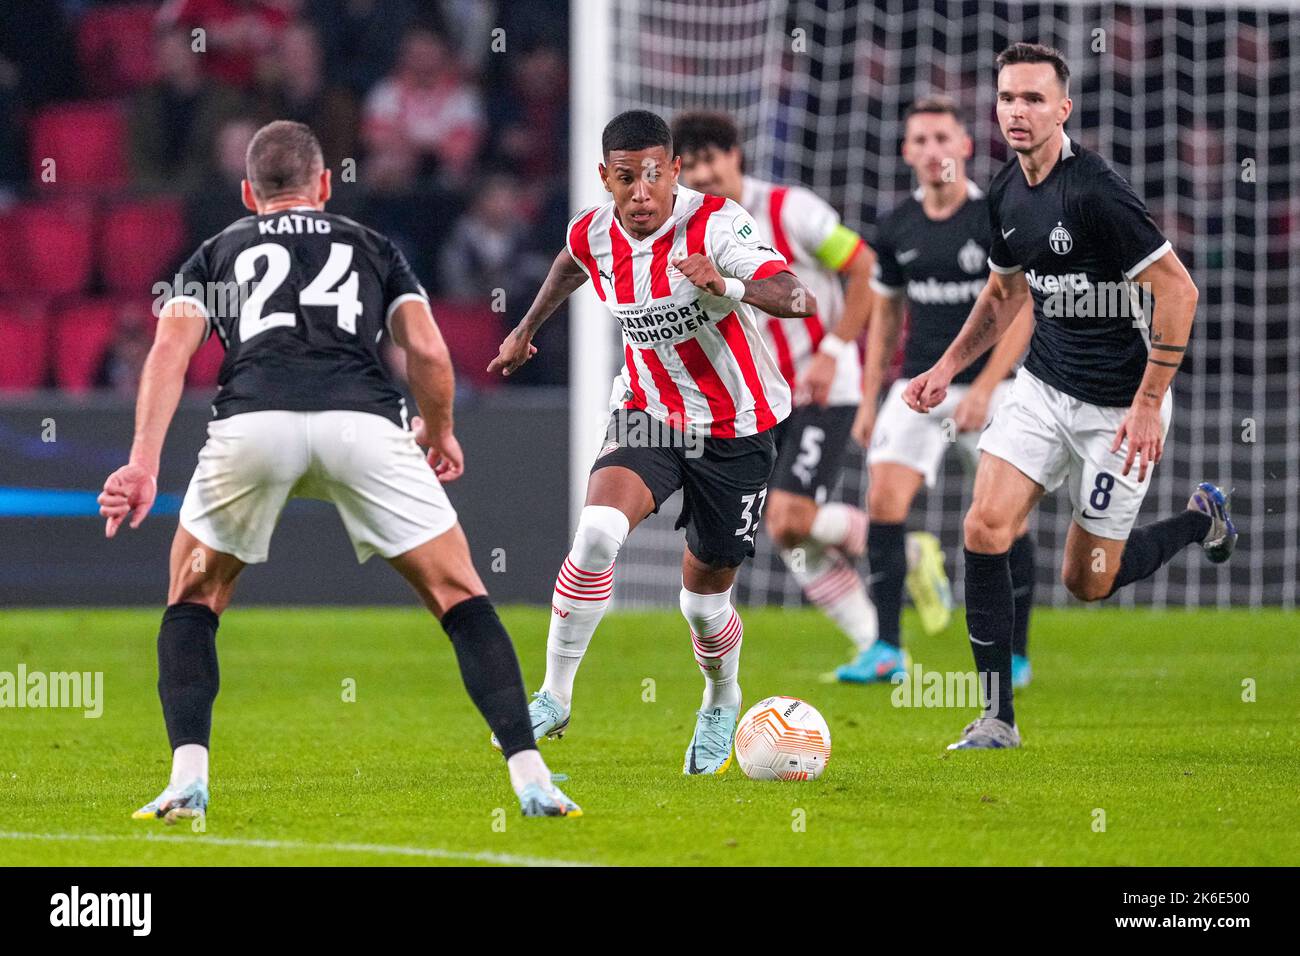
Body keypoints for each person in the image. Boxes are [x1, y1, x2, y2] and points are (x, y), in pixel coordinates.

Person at [98, 120, 580, 819]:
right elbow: (430, 353)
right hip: (364, 426)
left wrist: (142, 462)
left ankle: (187, 780)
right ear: (324, 186)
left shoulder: (217, 249)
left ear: (247, 193)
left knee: (194, 597)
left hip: (252, 425)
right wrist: (438, 431)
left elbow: (168, 355)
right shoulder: (373, 246)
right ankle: (532, 776)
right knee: (458, 593)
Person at [904, 44, 1236, 751]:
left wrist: (1149, 403)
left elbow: (1179, 290)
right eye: (1005, 98)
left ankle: (1199, 521)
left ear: (1063, 108)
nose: (1016, 111)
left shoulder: (1096, 192)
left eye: (1031, 99)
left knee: (1087, 580)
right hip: (1045, 387)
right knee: (982, 528)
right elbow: (1004, 294)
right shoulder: (1003, 192)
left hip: (1121, 404)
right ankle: (996, 717)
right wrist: (946, 366)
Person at [488, 110, 816, 775]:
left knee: (701, 602)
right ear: (604, 178)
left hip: (737, 426)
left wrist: (728, 285)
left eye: (653, 176)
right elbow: (569, 265)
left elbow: (798, 296)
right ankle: (553, 694)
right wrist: (524, 330)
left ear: (674, 172)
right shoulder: (594, 231)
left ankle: (722, 698)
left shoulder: (718, 225)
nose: (641, 193)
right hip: (649, 412)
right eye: (625, 178)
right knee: (598, 534)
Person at [671, 110, 883, 679]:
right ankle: (876, 645)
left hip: (820, 386)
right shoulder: (687, 228)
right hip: (755, 399)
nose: (705, 174)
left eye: (712, 159)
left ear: (735, 156)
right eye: (690, 166)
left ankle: (897, 545)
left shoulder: (794, 210)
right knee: (789, 533)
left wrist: (835, 350)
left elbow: (866, 267)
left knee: (788, 520)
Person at [851, 96, 1036, 686]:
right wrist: (867, 397)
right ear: (907, 151)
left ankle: (1015, 653)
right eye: (921, 141)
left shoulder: (995, 215)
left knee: (1005, 519)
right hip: (916, 387)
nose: (933, 152)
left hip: (993, 386)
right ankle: (886, 648)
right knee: (882, 500)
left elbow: (1022, 307)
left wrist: (985, 385)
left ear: (965, 146)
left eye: (942, 139)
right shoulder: (896, 224)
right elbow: (886, 316)